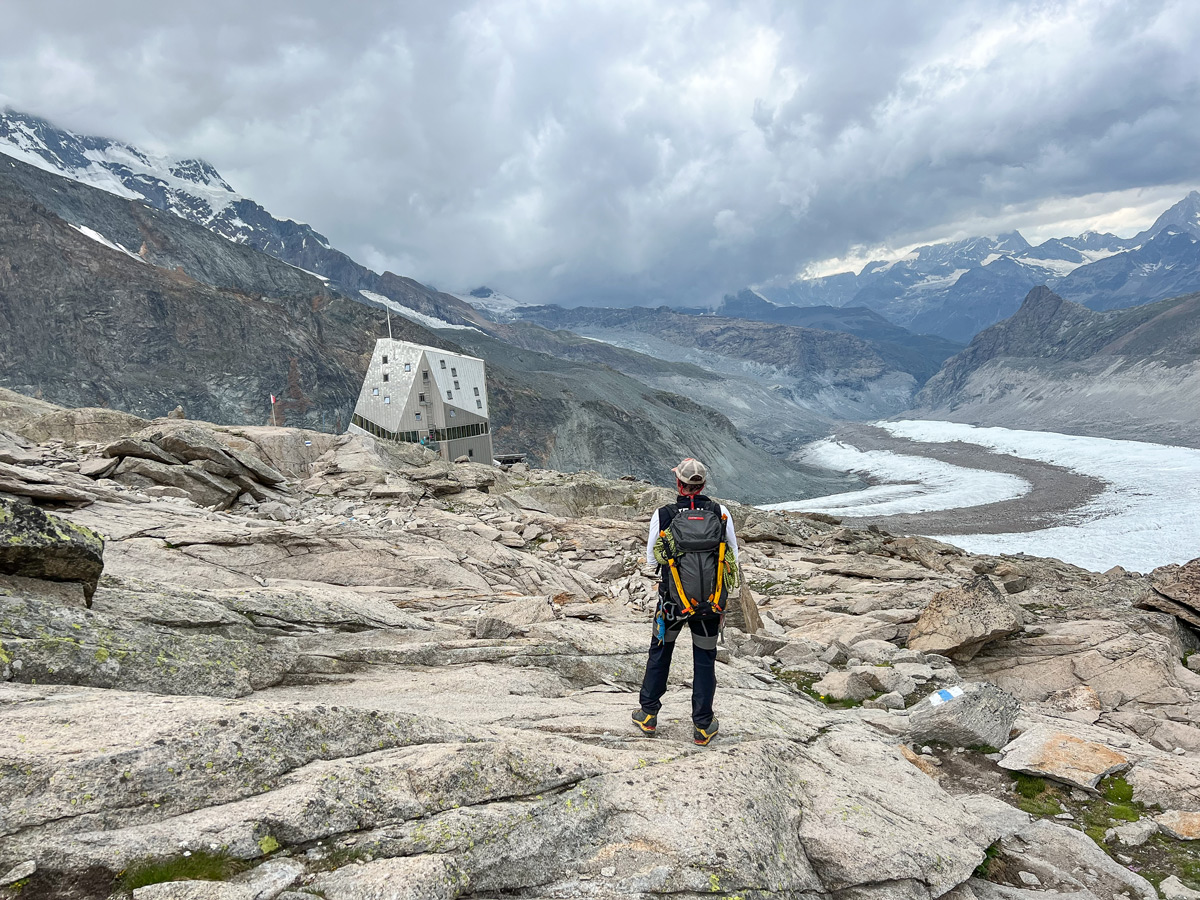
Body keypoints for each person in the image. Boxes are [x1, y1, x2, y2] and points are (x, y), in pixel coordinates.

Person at [632, 457, 739, 745]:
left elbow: (653, 557)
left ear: (678, 483)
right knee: (704, 660)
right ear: (703, 484)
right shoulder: (720, 512)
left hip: (673, 602)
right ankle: (703, 725)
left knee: (660, 653)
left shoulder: (664, 514)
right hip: (710, 604)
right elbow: (733, 558)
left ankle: (648, 715)